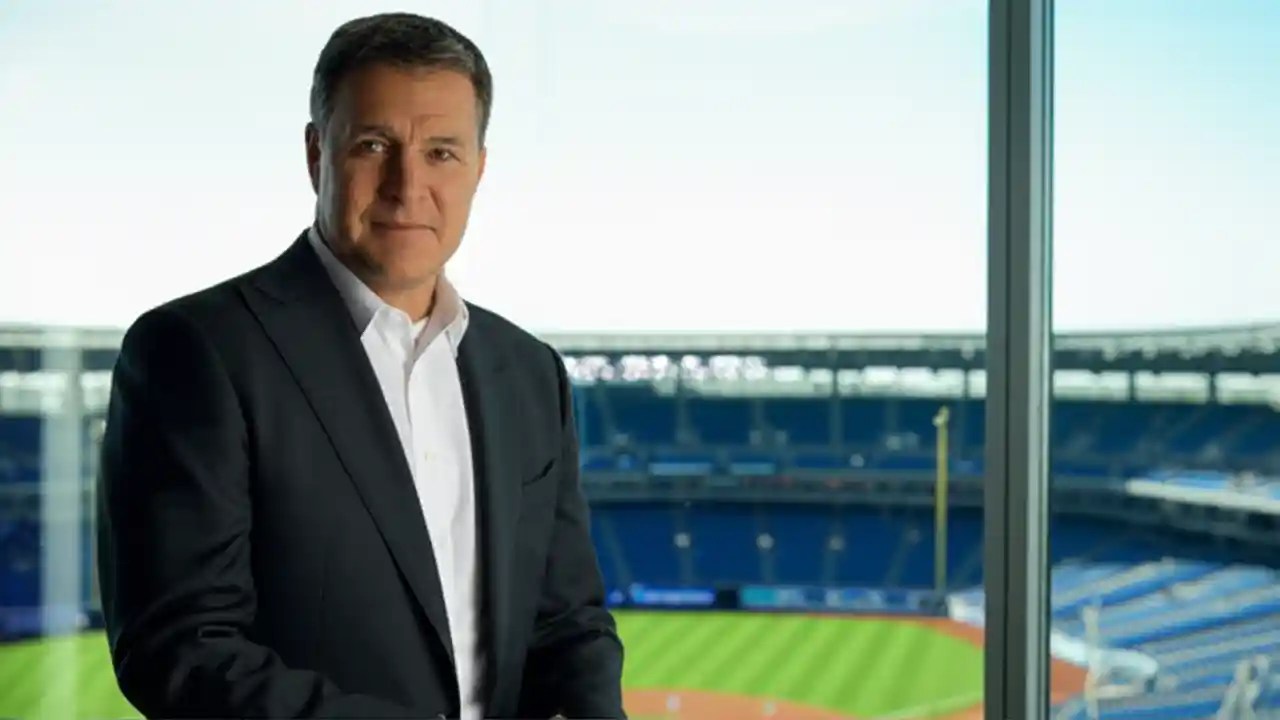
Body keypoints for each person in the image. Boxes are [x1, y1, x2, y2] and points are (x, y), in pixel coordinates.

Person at [95, 12, 625, 719]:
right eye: (375, 145)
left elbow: (567, 621)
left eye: (442, 152)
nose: (409, 186)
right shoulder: (196, 351)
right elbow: (182, 648)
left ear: (479, 168)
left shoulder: (529, 373)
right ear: (318, 154)